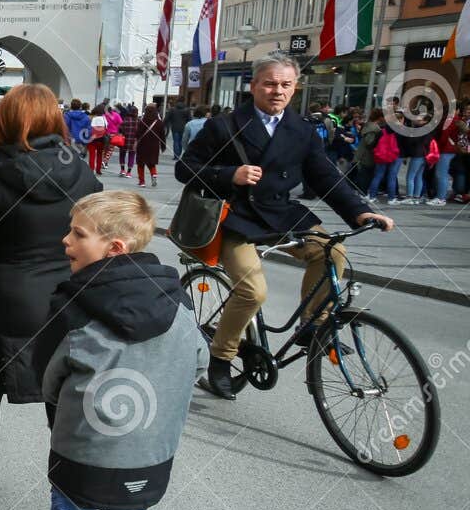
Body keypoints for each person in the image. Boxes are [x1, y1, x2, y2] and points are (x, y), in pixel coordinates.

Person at [13, 192, 208, 510]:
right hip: (149, 454)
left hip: (82, 451)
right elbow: (200, 361)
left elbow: (49, 376)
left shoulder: (75, 306)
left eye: (78, 234)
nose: (65, 241)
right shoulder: (176, 302)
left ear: (115, 248)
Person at [177, 51, 392, 401]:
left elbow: (325, 177)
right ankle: (221, 355)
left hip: (281, 214)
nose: (277, 90)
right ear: (254, 85)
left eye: (285, 84)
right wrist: (230, 174)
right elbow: (185, 169)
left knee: (333, 252)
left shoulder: (302, 130)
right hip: (236, 218)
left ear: (295, 88)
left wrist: (360, 212)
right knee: (252, 292)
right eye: (270, 83)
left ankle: (313, 326)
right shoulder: (224, 125)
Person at [0, 84, 101, 500]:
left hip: (5, 301)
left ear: (7, 121)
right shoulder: (83, 173)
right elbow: (105, 239)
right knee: (61, 406)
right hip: (65, 302)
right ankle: (65, 502)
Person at [431, 101, 465, 206]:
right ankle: (441, 197)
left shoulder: (451, 119)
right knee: (442, 174)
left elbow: (444, 135)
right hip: (451, 149)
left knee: (441, 174)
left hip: (446, 149)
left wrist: (439, 147)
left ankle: (441, 198)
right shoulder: (458, 120)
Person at [134, 102, 165, 187]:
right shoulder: (159, 122)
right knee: (151, 162)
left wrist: (135, 140)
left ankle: (142, 182)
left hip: (142, 145)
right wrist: (163, 146)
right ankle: (154, 174)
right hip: (154, 146)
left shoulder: (142, 121)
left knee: (140, 163)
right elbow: (162, 135)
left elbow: (138, 133)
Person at [86, 103, 110, 175]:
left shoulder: (92, 118)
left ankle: (91, 170)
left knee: (92, 155)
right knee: (99, 155)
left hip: (92, 139)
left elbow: (89, 128)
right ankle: (98, 170)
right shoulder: (104, 118)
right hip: (101, 139)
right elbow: (106, 127)